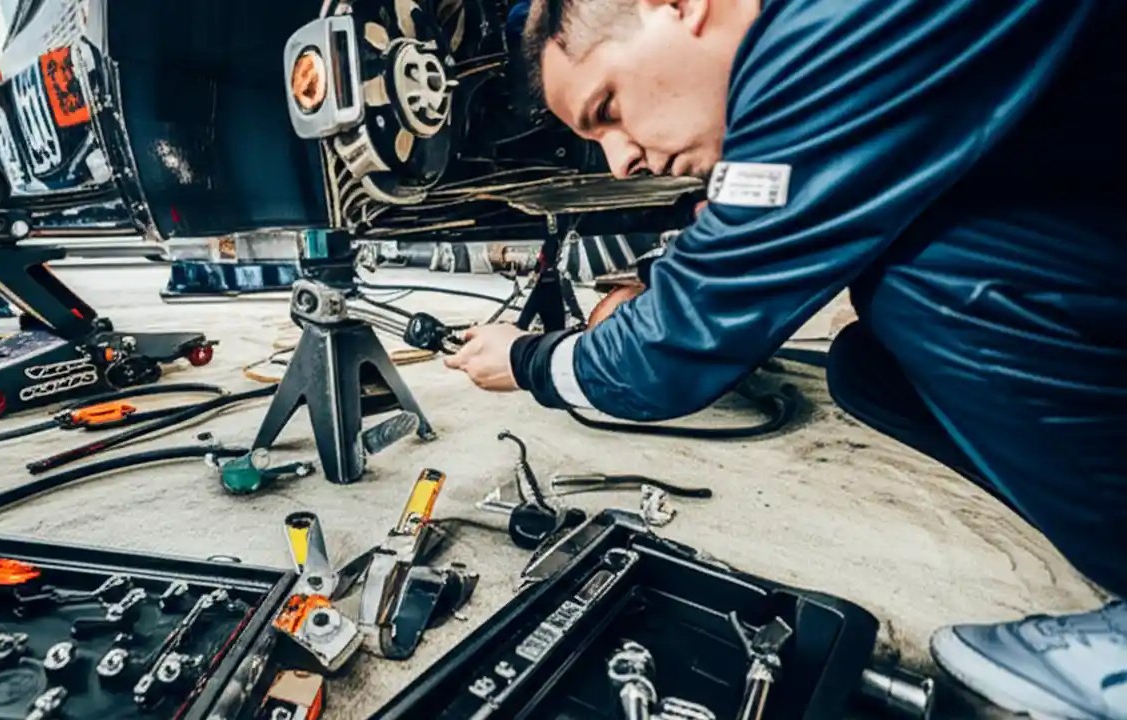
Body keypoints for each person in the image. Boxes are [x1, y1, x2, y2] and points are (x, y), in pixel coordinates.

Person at [443, 0, 1127, 716]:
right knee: (869, 368)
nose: (621, 162)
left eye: (607, 106)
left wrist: (530, 361)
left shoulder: (830, 22)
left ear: (676, 6)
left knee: (921, 280)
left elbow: (677, 343)